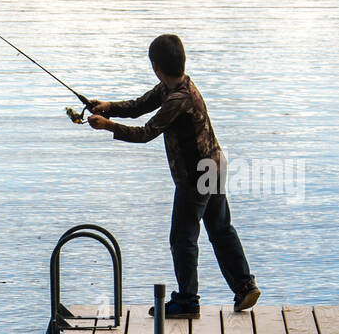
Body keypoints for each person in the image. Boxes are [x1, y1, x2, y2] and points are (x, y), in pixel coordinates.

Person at [86, 34, 259, 318]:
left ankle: (188, 301)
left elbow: (145, 133)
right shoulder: (177, 85)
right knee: (220, 229)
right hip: (214, 165)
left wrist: (108, 127)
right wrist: (109, 106)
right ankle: (244, 285)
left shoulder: (177, 98)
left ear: (155, 66)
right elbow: (140, 105)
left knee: (182, 238)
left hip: (196, 176)